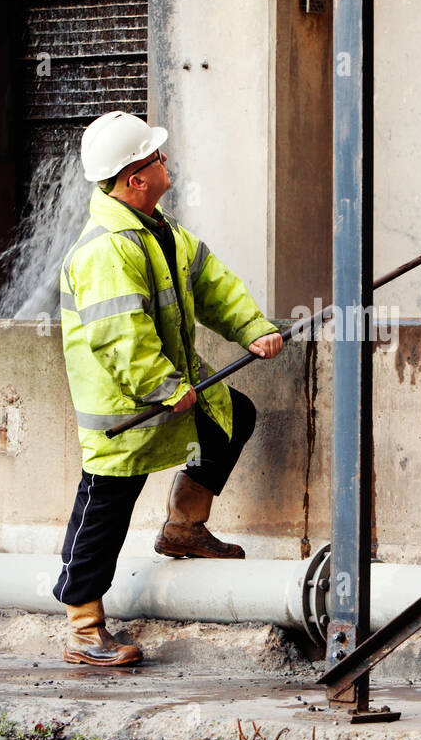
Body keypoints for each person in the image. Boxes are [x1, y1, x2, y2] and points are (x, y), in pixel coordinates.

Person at [53, 111, 284, 666]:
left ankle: (184, 528)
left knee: (235, 416)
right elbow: (118, 334)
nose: (165, 162)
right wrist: (163, 386)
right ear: (136, 178)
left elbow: (213, 285)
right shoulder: (107, 249)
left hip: (168, 392)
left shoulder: (162, 232)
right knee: (105, 505)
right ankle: (84, 628)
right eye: (156, 158)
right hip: (124, 408)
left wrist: (254, 328)